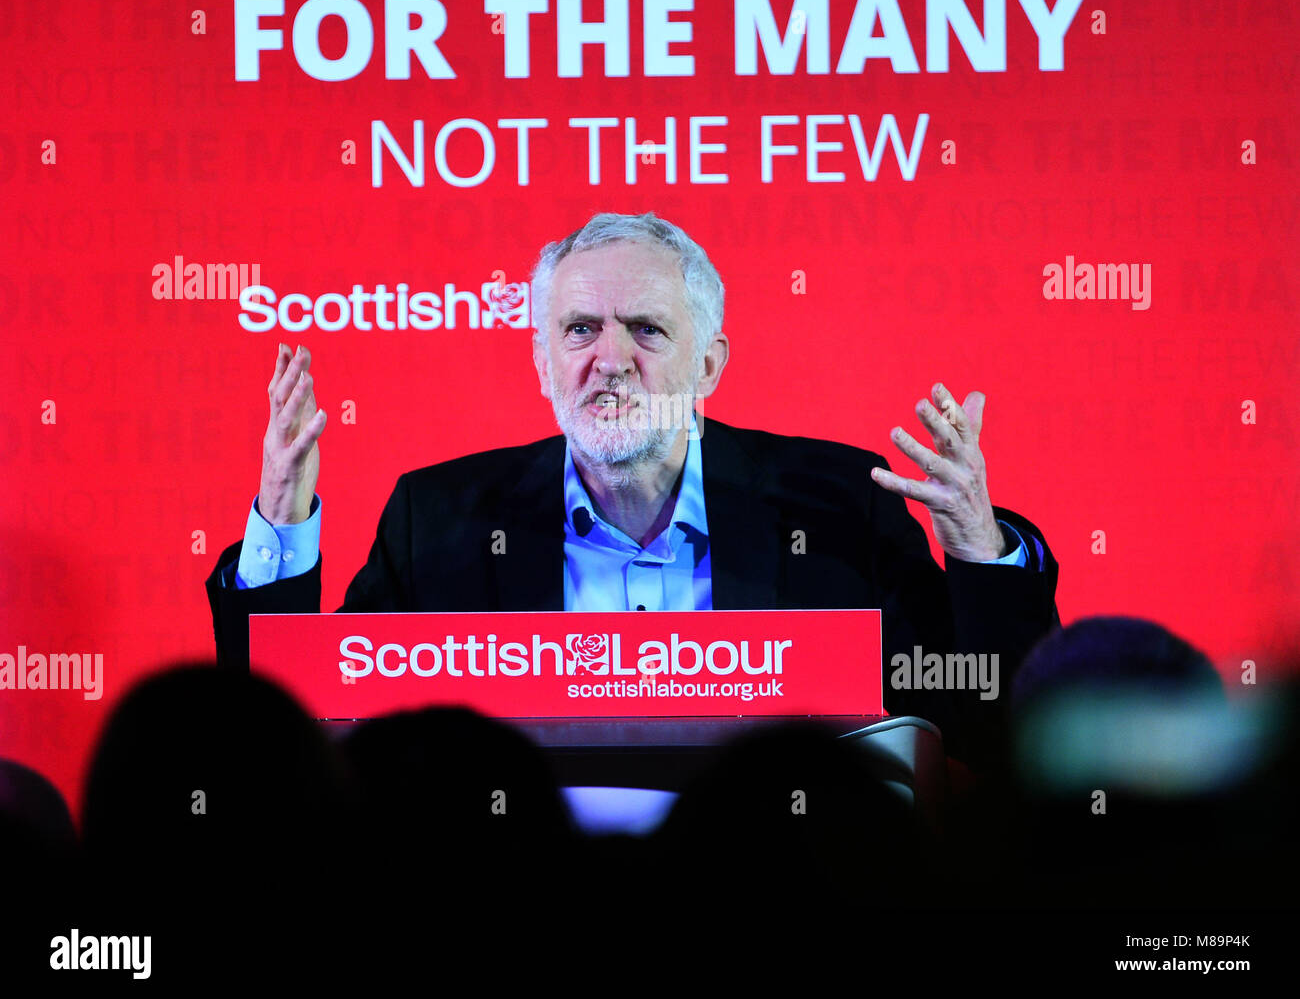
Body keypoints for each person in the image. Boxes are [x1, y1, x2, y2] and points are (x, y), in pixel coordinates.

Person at [205, 211, 1060, 763]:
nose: (609, 359)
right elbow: (295, 749)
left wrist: (980, 547)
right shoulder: (443, 519)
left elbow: (990, 730)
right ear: (544, 363)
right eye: (579, 329)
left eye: (646, 328)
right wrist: (280, 527)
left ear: (711, 363)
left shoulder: (837, 504)